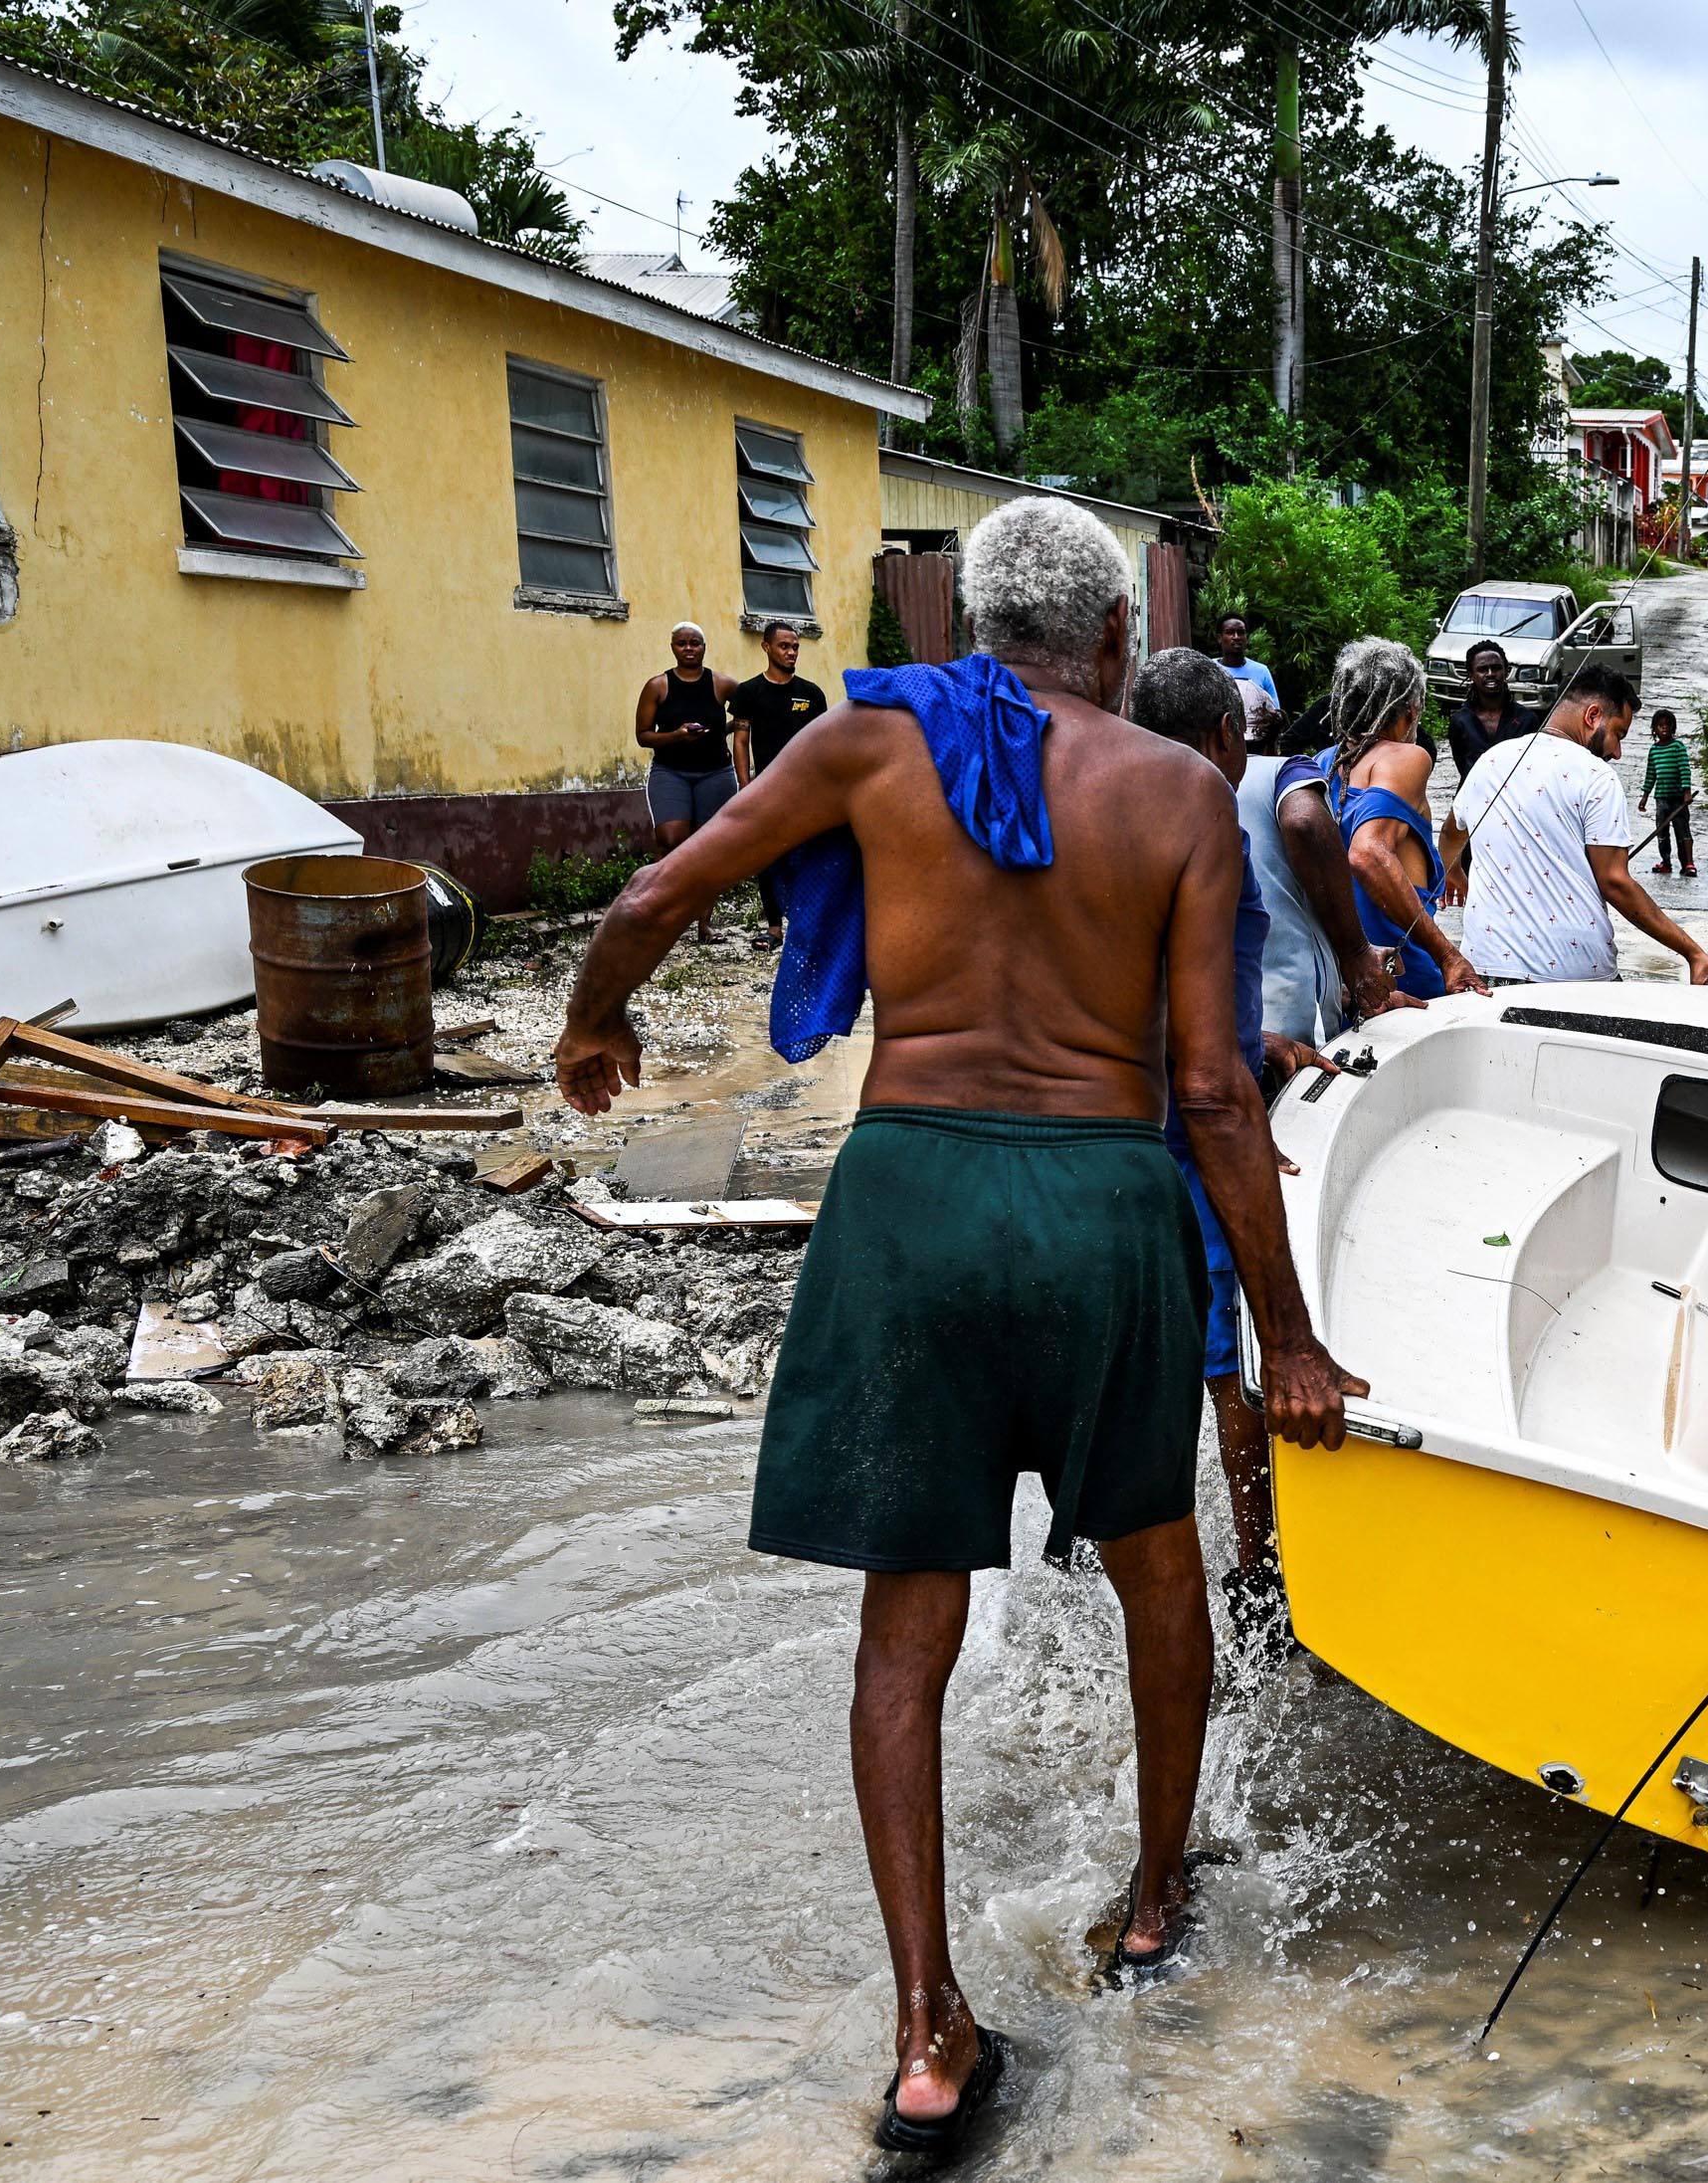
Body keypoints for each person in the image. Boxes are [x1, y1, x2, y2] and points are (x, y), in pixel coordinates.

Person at [551, 498, 1357, 2152]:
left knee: (903, 1627)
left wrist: (591, 1022)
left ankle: (925, 2033)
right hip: (1103, 1201)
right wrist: (1287, 1336)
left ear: (968, 629)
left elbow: (650, 893)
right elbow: (1211, 1086)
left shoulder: (867, 741)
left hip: (910, 1197)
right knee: (1155, 1565)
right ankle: (1147, 1901)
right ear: (1120, 640)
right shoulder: (1179, 788)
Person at [1133, 646, 1338, 1640]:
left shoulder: (1106, 808)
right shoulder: (1205, 816)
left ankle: (1111, 1539)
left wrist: (1264, 1039)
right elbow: (1205, 1074)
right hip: (1191, 1128)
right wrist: (1246, 1120)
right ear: (1225, 738)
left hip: (1116, 1127)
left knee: (1144, 1345)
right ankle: (1255, 1568)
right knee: (1237, 1359)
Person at [1443, 665, 1708, 988]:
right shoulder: (1596, 776)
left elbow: (1452, 832)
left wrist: (1453, 873)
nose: (1618, 753)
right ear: (1592, 716)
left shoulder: (1491, 759)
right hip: (1573, 976)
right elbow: (1615, 882)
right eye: (1618, 735)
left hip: (1484, 968)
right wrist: (1692, 952)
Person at [1326, 636, 1486, 1001]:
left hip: (1344, 984)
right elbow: (1367, 854)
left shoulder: (1324, 764)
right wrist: (1447, 956)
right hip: (1405, 976)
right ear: (1411, 711)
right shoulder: (1406, 757)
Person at [1244, 696, 1411, 1046]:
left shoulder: (1172, 785)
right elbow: (1305, 822)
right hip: (1289, 1015)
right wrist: (1356, 954)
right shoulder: (1283, 771)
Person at [725, 619, 828, 950]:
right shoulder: (749, 692)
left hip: (806, 792)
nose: (791, 652)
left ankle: (806, 926)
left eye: (795, 646)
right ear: (766, 647)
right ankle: (773, 929)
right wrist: (746, 786)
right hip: (766, 789)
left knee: (808, 858)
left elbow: (823, 744)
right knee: (768, 858)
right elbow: (741, 741)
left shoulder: (811, 694)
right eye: (784, 646)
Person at [633, 621, 738, 942]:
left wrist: (725, 730)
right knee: (670, 839)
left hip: (716, 773)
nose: (689, 648)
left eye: (695, 643)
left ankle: (704, 925)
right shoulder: (658, 686)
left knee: (710, 847)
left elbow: (752, 706)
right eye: (682, 643)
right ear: (673, 647)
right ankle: (653, 914)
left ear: (705, 647)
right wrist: (676, 736)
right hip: (671, 772)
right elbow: (643, 735)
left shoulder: (721, 684)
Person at [1441, 638, 1543, 778]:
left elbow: (1532, 768)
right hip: (1474, 796)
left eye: (1496, 668)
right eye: (1482, 669)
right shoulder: (1460, 722)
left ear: (1506, 672)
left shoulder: (1526, 719)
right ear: (1471, 675)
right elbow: (1463, 768)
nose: (1490, 673)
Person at [1637, 705, 1698, 878]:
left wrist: (1687, 792)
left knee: (1682, 831)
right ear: (1655, 729)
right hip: (1661, 799)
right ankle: (1666, 862)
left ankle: (1688, 864)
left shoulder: (1678, 747)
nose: (1664, 728)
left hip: (1678, 798)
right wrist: (1645, 796)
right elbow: (1651, 775)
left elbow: (1684, 770)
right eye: (1660, 726)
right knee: (1662, 833)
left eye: (1667, 725)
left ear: (1672, 727)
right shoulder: (1654, 750)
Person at [1213, 614, 1281, 728]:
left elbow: (1275, 712)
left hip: (1255, 738)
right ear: (1219, 638)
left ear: (1246, 637)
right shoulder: (1209, 669)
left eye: (1241, 632)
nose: (1236, 637)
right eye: (1230, 632)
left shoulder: (1261, 671)